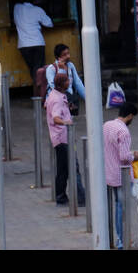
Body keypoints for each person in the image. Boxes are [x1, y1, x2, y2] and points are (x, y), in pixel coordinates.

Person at [103, 100, 138, 249]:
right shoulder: (123, 131)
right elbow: (124, 156)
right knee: (122, 208)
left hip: (108, 172)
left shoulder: (106, 125)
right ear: (130, 115)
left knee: (116, 206)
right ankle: (122, 240)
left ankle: (116, 238)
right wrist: (136, 156)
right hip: (121, 175)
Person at [48, 71, 81, 206]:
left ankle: (61, 196)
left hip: (61, 138)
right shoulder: (57, 99)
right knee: (72, 167)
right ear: (62, 84)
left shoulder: (56, 95)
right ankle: (78, 197)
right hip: (62, 138)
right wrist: (67, 122)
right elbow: (56, 117)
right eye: (67, 81)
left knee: (63, 169)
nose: (69, 82)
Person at [12, 0, 53, 78]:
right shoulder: (37, 10)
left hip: (23, 45)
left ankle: (37, 87)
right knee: (39, 70)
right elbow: (49, 24)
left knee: (33, 69)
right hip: (37, 43)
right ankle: (40, 89)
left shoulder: (16, 8)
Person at [46, 43, 85, 110]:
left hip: (69, 99)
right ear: (58, 57)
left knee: (69, 119)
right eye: (64, 55)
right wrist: (62, 69)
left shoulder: (70, 65)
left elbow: (77, 83)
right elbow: (56, 87)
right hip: (56, 101)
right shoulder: (51, 68)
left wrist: (87, 98)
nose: (68, 56)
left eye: (68, 53)